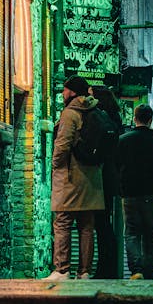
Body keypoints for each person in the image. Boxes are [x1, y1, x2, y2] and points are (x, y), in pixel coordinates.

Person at [46, 75, 106, 281]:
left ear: (72, 92)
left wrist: (55, 165)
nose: (62, 94)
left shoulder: (70, 113)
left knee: (62, 221)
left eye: (64, 90)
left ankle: (62, 269)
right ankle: (85, 271)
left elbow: (63, 144)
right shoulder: (95, 110)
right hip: (91, 178)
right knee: (87, 225)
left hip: (71, 176)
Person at [115, 103, 153, 280]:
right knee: (150, 235)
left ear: (135, 118)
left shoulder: (123, 141)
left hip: (130, 195)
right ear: (150, 119)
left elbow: (115, 167)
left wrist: (121, 189)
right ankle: (148, 272)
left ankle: (136, 270)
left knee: (132, 233)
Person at [89, 83, 124, 279]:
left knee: (101, 224)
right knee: (104, 224)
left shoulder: (102, 120)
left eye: (92, 96)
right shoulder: (114, 120)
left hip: (102, 177)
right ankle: (107, 267)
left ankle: (105, 268)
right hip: (110, 178)